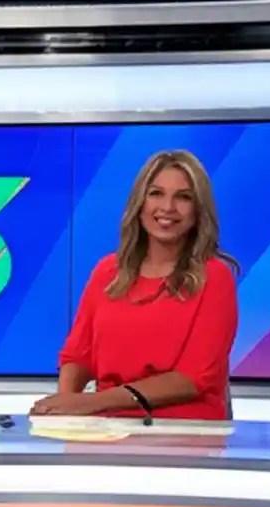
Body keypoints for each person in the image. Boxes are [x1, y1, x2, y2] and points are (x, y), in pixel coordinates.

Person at [32, 149, 239, 421]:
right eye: (156, 194)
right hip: (106, 429)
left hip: (186, 431)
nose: (167, 207)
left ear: (198, 211)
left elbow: (193, 378)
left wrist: (91, 403)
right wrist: (66, 407)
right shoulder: (107, 271)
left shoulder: (214, 277)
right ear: (139, 203)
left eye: (183, 197)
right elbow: (78, 355)